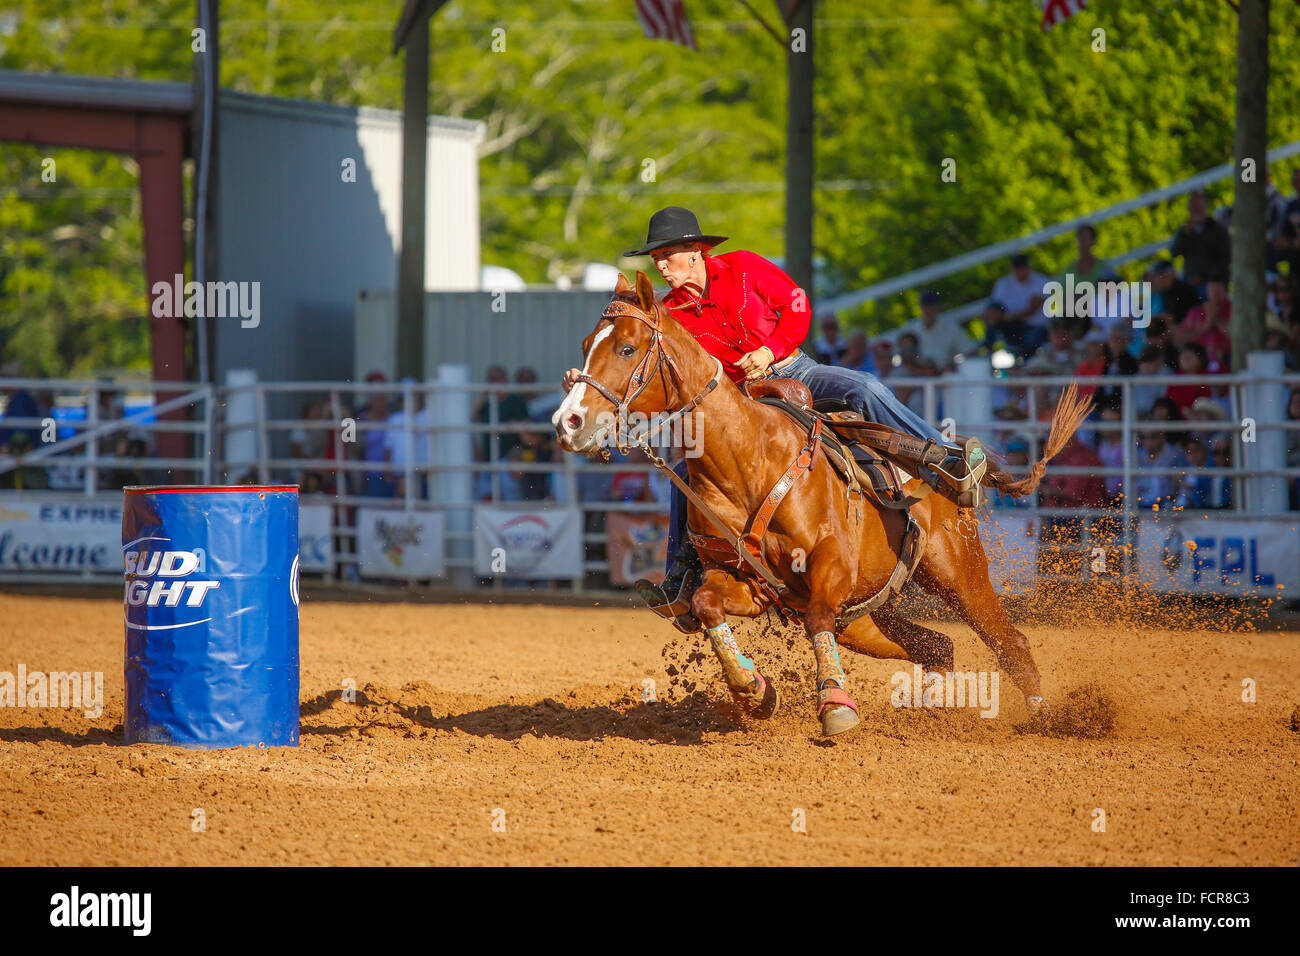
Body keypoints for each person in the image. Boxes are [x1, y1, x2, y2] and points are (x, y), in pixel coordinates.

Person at [562, 206, 984, 630]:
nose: (660, 265)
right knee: (685, 472)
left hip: (794, 369)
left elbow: (796, 306)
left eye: (666, 255)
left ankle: (946, 459)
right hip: (740, 402)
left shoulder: (744, 267)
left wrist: (770, 349)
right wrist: (592, 382)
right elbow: (648, 363)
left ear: (694, 251)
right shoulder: (669, 316)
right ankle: (681, 577)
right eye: (655, 259)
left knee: (864, 389)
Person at [887, 291, 975, 371]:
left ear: (938, 307)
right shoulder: (909, 328)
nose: (929, 309)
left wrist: (954, 365)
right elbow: (896, 352)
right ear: (921, 307)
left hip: (943, 375)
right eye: (926, 306)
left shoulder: (951, 328)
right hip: (915, 375)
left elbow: (969, 350)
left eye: (932, 305)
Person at [1171, 191, 1230, 288]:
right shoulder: (1185, 230)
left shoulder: (1217, 230)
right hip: (1189, 281)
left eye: (1198, 208)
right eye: (1193, 208)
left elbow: (1225, 259)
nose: (1195, 212)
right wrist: (1184, 235)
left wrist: (1204, 278)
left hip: (1212, 282)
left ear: (1206, 208)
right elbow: (1174, 253)